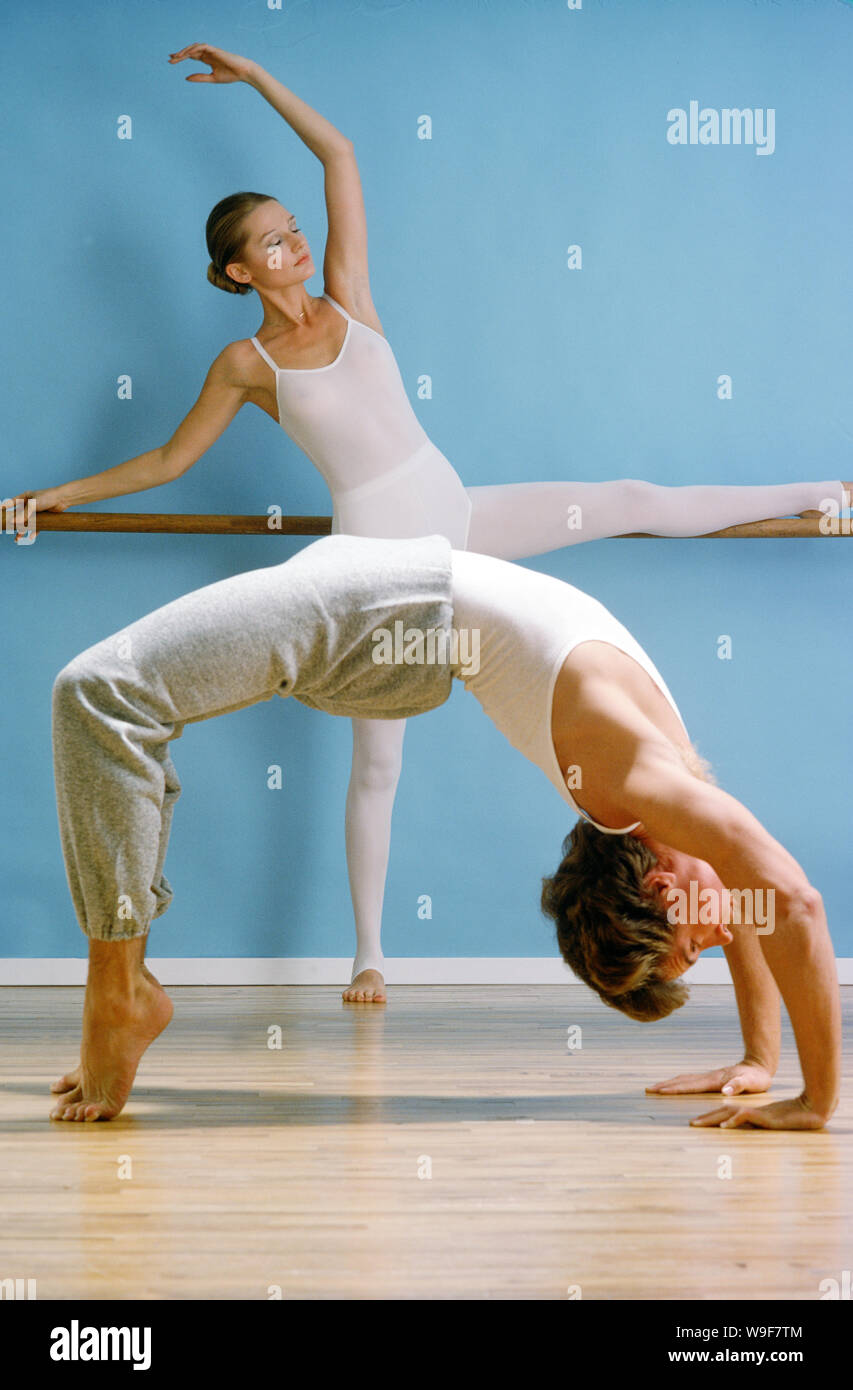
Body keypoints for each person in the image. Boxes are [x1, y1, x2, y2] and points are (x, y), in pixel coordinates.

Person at [10, 42, 849, 1007]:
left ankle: (810, 491)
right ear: (237, 272)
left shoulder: (352, 301)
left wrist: (259, 79)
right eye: (271, 243)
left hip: (454, 511)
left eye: (291, 230)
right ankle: (369, 954)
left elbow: (342, 158)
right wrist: (63, 492)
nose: (291, 246)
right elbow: (167, 462)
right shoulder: (247, 364)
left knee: (624, 498)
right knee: (380, 762)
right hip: (381, 560)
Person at [47, 532, 839, 1130]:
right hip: (392, 599)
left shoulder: (666, 795)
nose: (722, 938)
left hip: (393, 607)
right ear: (664, 889)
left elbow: (752, 904)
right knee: (102, 693)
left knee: (110, 701)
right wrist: (813, 1099)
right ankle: (118, 994)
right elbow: (790, 904)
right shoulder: (638, 781)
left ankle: (120, 991)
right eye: (692, 947)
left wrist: (757, 1060)